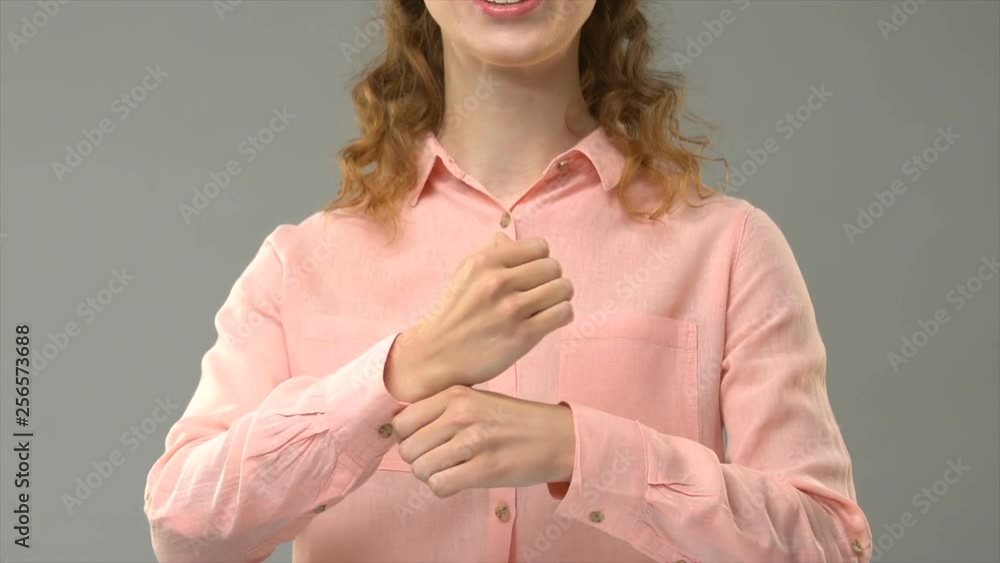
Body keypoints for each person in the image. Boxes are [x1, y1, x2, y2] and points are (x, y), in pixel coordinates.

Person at [144, 0, 872, 561]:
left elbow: (828, 544)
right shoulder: (300, 263)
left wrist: (578, 448)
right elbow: (185, 532)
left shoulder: (730, 248)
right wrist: (403, 369)